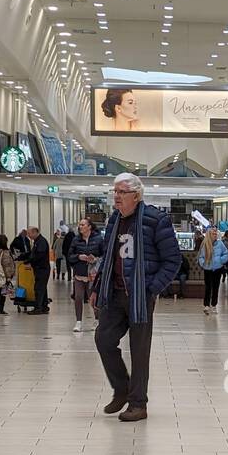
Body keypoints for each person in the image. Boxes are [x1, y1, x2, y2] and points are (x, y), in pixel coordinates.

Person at [90, 173, 181, 422]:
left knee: (139, 351)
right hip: (115, 293)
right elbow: (108, 258)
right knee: (103, 339)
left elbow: (173, 260)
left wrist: (152, 288)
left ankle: (138, 404)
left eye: (121, 192)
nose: (116, 197)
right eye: (115, 192)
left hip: (140, 297)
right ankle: (122, 389)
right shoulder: (114, 220)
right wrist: (97, 287)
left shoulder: (156, 220)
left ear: (136, 195)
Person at [67, 216, 104, 333]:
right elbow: (69, 256)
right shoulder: (76, 240)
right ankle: (78, 321)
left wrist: (96, 259)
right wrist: (79, 257)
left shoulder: (98, 239)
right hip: (79, 273)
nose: (80, 227)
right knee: (78, 297)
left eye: (83, 225)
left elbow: (104, 255)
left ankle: (97, 319)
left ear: (89, 227)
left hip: (93, 274)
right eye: (80, 225)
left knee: (92, 299)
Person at [197, 225, 228, 315]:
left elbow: (226, 253)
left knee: (216, 287)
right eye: (213, 233)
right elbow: (201, 256)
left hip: (217, 268)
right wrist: (203, 264)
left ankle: (214, 305)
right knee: (208, 287)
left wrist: (221, 261)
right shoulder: (205, 244)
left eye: (215, 233)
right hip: (208, 269)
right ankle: (206, 305)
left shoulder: (220, 244)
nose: (215, 235)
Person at [22, 226, 51, 314]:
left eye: (29, 234)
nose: (28, 236)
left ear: (35, 232)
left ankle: (38, 308)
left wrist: (29, 261)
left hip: (42, 269)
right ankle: (44, 306)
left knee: (38, 288)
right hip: (40, 268)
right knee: (42, 288)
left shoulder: (41, 242)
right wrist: (24, 256)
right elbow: (33, 253)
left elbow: (39, 256)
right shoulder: (37, 241)